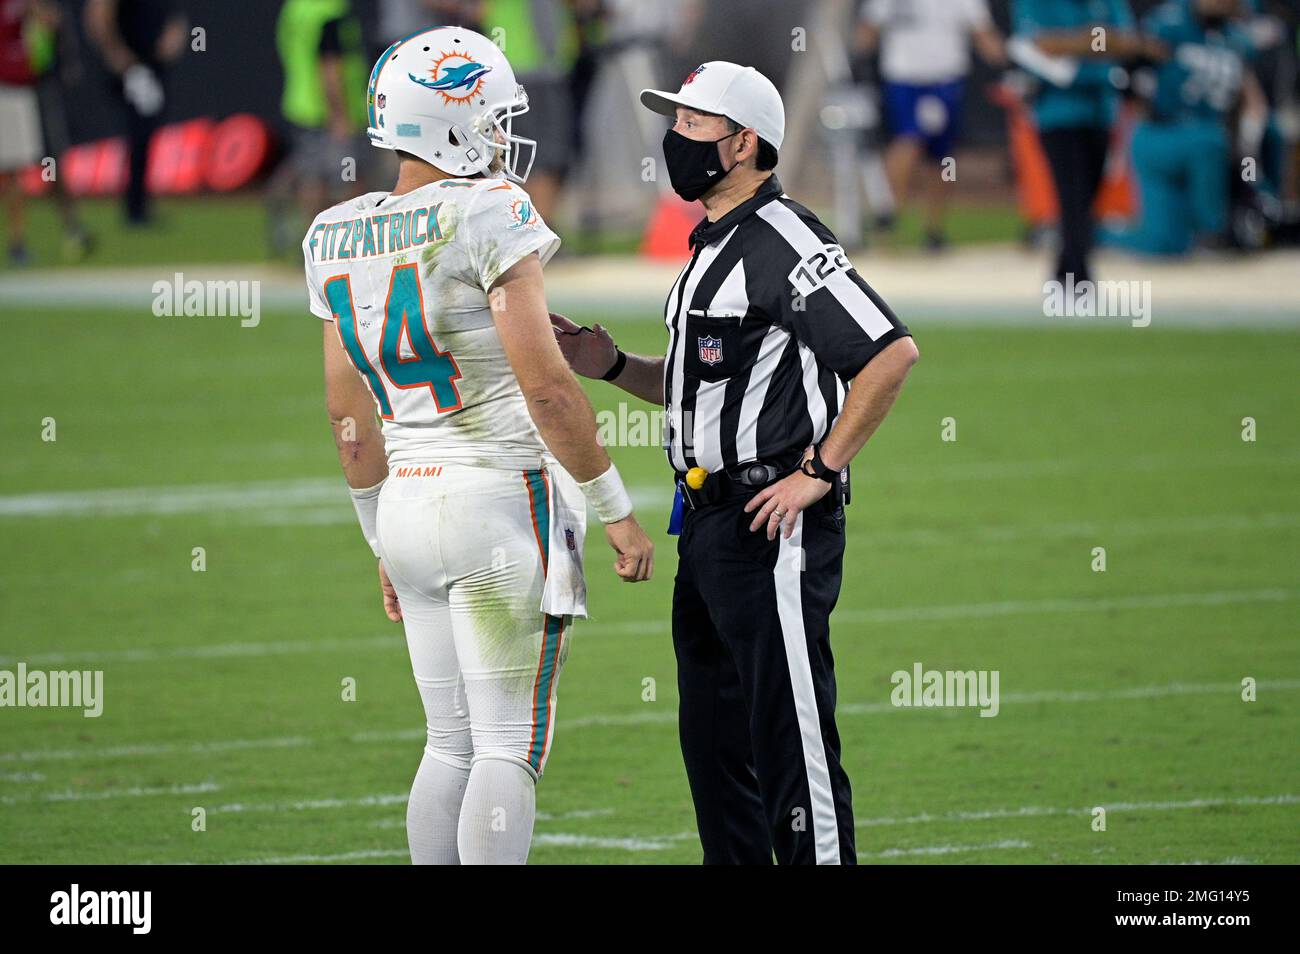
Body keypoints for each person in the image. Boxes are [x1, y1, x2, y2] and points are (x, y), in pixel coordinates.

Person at [302, 26, 654, 865]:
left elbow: (346, 419)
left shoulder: (334, 231)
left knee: (447, 743)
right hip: (498, 500)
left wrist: (377, 536)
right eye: (490, 116)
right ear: (448, 120)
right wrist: (616, 509)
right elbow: (547, 385)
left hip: (407, 506)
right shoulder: (488, 209)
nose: (501, 136)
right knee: (504, 749)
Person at [553, 61, 919, 864]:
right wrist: (611, 364)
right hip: (710, 524)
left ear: (744, 142)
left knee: (793, 747)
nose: (674, 139)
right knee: (716, 754)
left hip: (772, 522)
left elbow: (889, 353)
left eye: (692, 125)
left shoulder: (784, 237)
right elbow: (701, 387)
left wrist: (818, 470)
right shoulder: (710, 244)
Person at [1009, 0, 1148, 284]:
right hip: (1057, 112)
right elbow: (1038, 43)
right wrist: (1095, 41)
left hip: (1101, 109)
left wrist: (1074, 43)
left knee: (1089, 197)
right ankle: (1079, 278)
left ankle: (1064, 272)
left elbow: (1129, 42)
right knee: (1072, 196)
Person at [1115, 0, 1268, 254]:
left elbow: (1254, 103)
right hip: (1162, 135)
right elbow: (1127, 74)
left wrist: (1248, 155)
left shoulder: (1235, 37)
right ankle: (1212, 233)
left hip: (1215, 137)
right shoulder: (1168, 23)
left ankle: (1259, 212)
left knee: (1165, 243)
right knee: (1209, 142)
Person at [856, 0, 1007, 249]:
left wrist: (1009, 60)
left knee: (941, 157)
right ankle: (890, 210)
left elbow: (982, 31)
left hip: (945, 80)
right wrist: (858, 62)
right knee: (910, 139)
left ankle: (932, 229)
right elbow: (868, 29)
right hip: (904, 79)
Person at [269, 0, 370, 254]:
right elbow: (330, 67)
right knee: (347, 177)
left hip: (301, 102)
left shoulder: (297, 8)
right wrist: (339, 114)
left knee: (311, 175)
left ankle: (311, 243)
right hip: (329, 109)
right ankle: (347, 246)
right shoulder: (330, 12)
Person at [83, 0, 186, 226]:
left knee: (146, 132)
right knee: (138, 133)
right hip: (133, 66)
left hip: (152, 65)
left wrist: (174, 35)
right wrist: (113, 51)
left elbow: (174, 17)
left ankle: (139, 204)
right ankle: (134, 207)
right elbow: (98, 12)